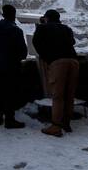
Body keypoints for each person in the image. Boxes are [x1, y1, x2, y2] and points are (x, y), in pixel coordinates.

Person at [33, 9, 79, 137]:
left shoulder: (43, 28)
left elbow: (36, 43)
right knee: (69, 95)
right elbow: (72, 42)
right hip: (73, 61)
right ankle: (66, 123)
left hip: (58, 63)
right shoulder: (67, 29)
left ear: (46, 18)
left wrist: (47, 58)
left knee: (57, 96)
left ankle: (55, 126)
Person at [0, 3, 28, 129]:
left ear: (3, 14)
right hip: (13, 66)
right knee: (10, 93)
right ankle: (9, 120)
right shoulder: (16, 30)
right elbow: (24, 52)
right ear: (14, 15)